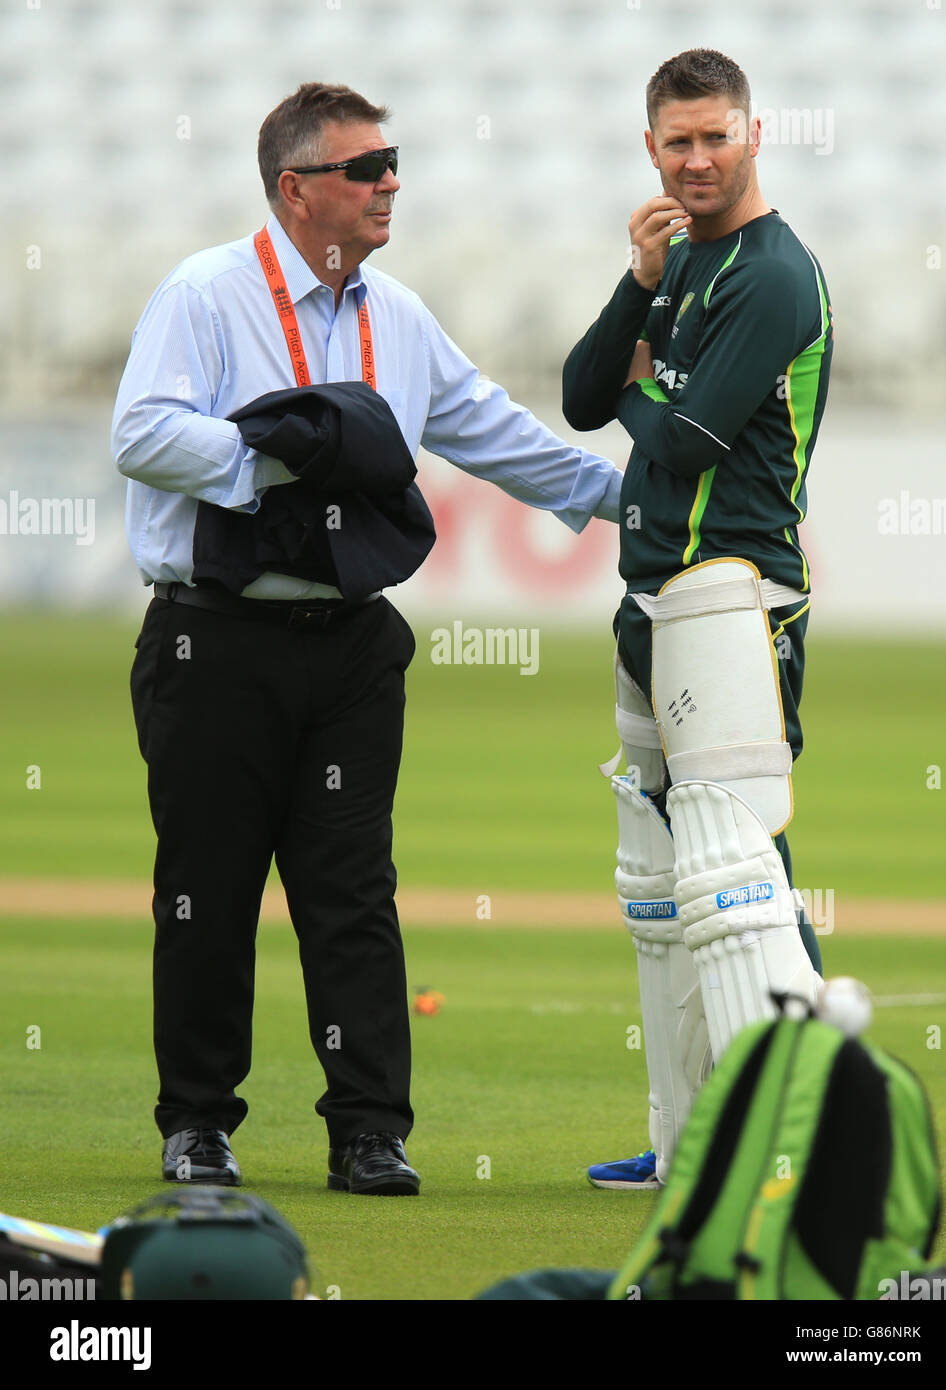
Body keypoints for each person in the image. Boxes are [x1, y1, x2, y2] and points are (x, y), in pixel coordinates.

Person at [112, 82, 622, 1197]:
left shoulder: (396, 312)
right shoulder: (204, 293)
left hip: (348, 645)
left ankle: (368, 1129)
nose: (390, 181)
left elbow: (488, 427)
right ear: (297, 189)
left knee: (352, 891)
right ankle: (197, 1123)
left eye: (392, 162)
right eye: (366, 166)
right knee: (207, 886)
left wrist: (627, 497)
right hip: (214, 643)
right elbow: (141, 433)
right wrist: (284, 460)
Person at [561, 49, 833, 1190]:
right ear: (649, 147)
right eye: (677, 141)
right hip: (658, 597)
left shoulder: (769, 274)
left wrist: (640, 389)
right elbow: (582, 398)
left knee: (741, 872)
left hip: (736, 593)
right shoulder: (680, 261)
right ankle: (693, 1133)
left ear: (754, 133)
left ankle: (815, 1132)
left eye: (715, 136)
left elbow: (679, 440)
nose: (698, 158)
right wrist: (635, 282)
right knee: (678, 883)